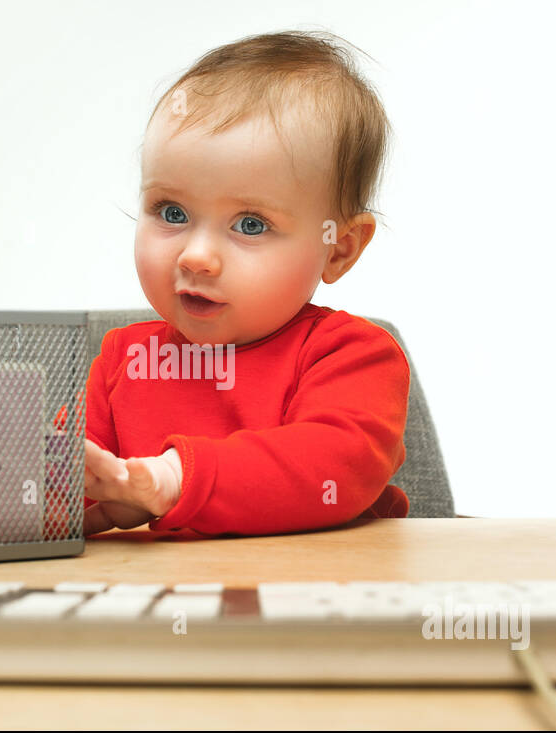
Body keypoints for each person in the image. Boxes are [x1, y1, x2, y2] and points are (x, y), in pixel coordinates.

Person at [82, 30, 410, 536]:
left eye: (250, 224)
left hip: (311, 605)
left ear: (339, 248)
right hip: (152, 605)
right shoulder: (122, 364)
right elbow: (57, 494)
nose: (196, 256)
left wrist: (175, 478)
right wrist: (73, 493)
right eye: (172, 212)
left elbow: (330, 470)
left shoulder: (352, 356)